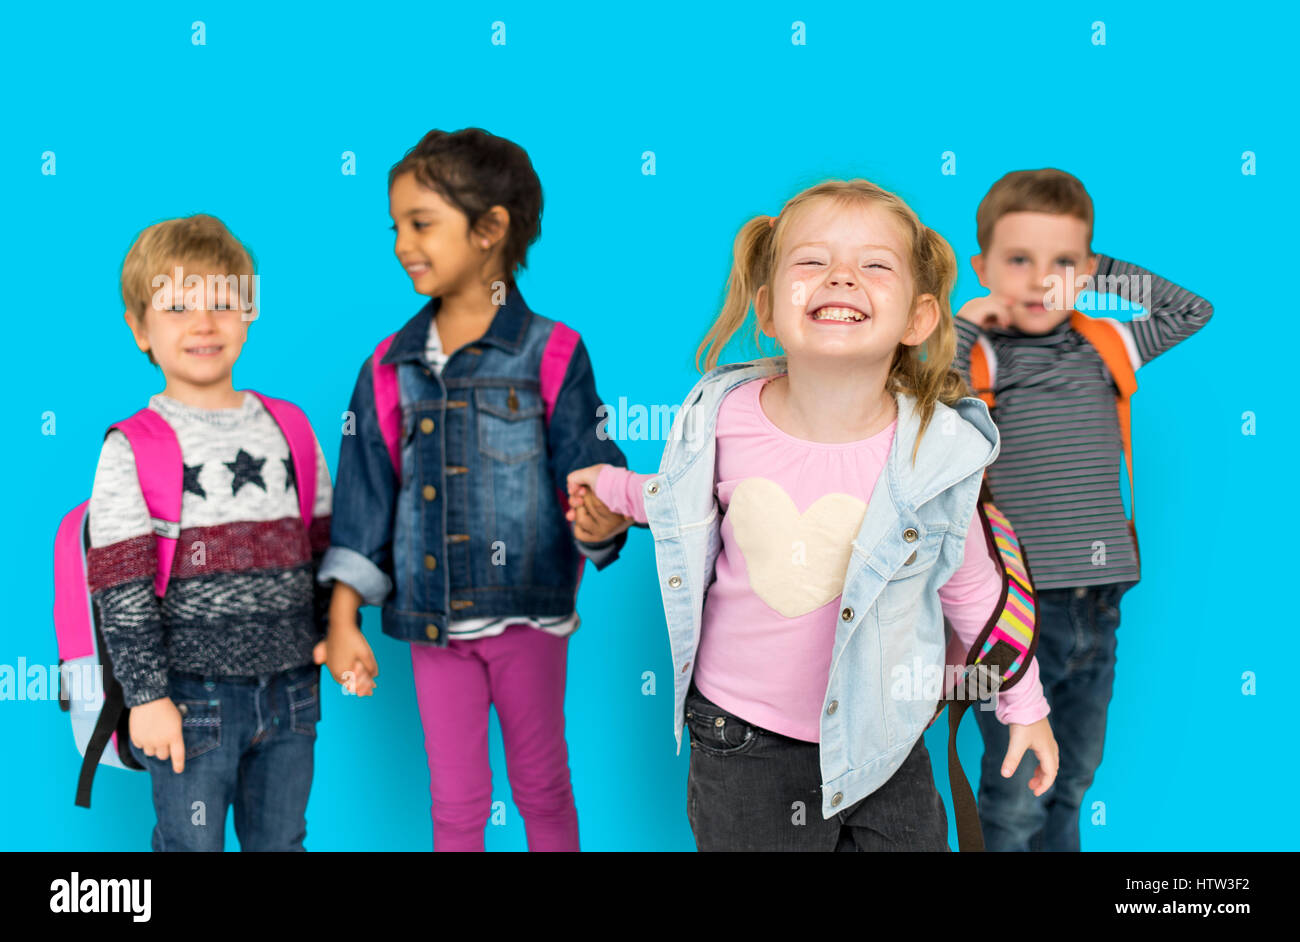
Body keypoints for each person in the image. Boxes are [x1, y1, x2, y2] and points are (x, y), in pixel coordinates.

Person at [566, 179, 1056, 851]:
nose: (842, 277)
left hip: (885, 742)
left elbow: (972, 588)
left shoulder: (935, 453)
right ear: (768, 309)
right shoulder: (725, 417)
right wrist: (610, 489)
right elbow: (678, 500)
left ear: (917, 319)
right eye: (813, 261)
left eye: (874, 264)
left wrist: (1024, 705)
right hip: (742, 743)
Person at [319, 128, 630, 852]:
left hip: (528, 616)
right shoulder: (386, 368)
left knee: (542, 787)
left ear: (490, 229)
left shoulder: (554, 351)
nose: (403, 244)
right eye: (396, 227)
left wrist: (600, 521)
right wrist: (341, 620)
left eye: (421, 223)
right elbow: (364, 501)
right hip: (433, 624)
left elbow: (588, 468)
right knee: (455, 803)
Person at [951, 168, 1213, 851]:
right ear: (983, 270)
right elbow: (933, 408)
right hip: (1018, 609)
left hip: (1100, 600)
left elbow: (1191, 310)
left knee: (1073, 776)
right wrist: (966, 321)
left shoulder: (1107, 344)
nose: (1042, 280)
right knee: (1016, 796)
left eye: (1062, 263)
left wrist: (1096, 274)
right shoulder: (981, 358)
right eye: (1019, 260)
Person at [87, 214, 333, 851]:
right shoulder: (132, 448)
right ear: (140, 328)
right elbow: (122, 590)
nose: (203, 322)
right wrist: (146, 697)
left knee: (283, 843)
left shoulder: (290, 429)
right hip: (190, 702)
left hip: (292, 694)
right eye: (177, 307)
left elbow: (319, 549)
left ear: (248, 314)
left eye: (223, 302)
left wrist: (337, 631)